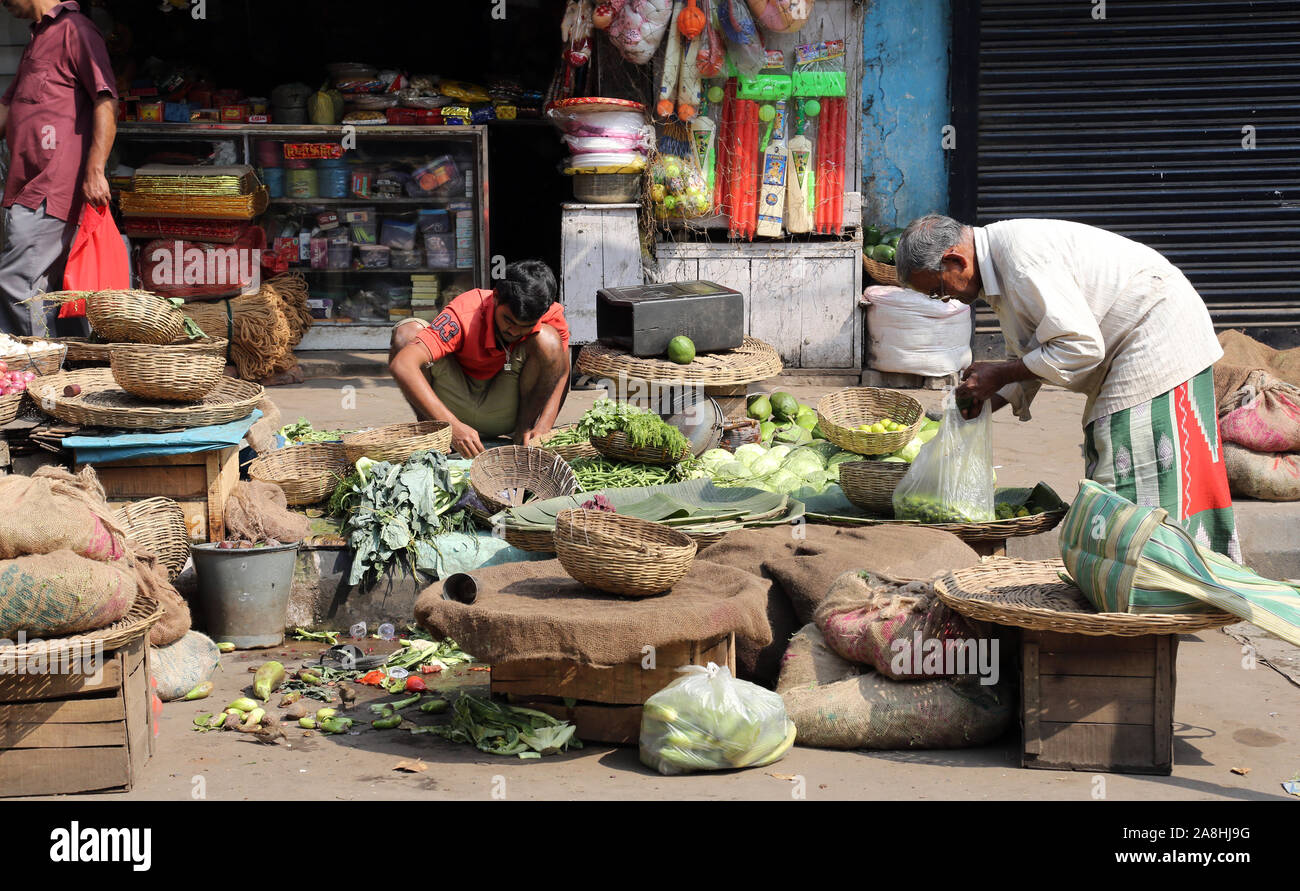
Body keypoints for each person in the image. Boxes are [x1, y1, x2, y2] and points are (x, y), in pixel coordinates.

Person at [895, 213, 1240, 560]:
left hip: (1156, 335)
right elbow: (1035, 350)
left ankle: (1160, 578)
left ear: (956, 259)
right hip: (1135, 342)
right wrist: (987, 396)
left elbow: (1080, 347)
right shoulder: (998, 267)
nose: (948, 301)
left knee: (1126, 466)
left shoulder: (1020, 262)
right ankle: (1147, 576)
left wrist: (1001, 374)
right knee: (1113, 458)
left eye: (940, 290)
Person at [0, 0, 117, 337]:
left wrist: (96, 169)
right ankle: (58, 364)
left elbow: (106, 99)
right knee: (42, 286)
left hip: (52, 184)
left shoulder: (75, 29)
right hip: (26, 180)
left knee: (16, 280)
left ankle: (34, 366)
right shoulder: (40, 36)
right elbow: (10, 106)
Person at [388, 259, 570, 458]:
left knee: (550, 341)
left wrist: (543, 427)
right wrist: (454, 427)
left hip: (506, 406)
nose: (514, 331)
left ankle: (523, 432)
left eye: (525, 326)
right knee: (407, 334)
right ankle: (433, 434)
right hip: (453, 403)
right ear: (496, 297)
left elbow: (561, 370)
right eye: (508, 320)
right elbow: (403, 365)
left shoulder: (548, 312)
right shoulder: (466, 311)